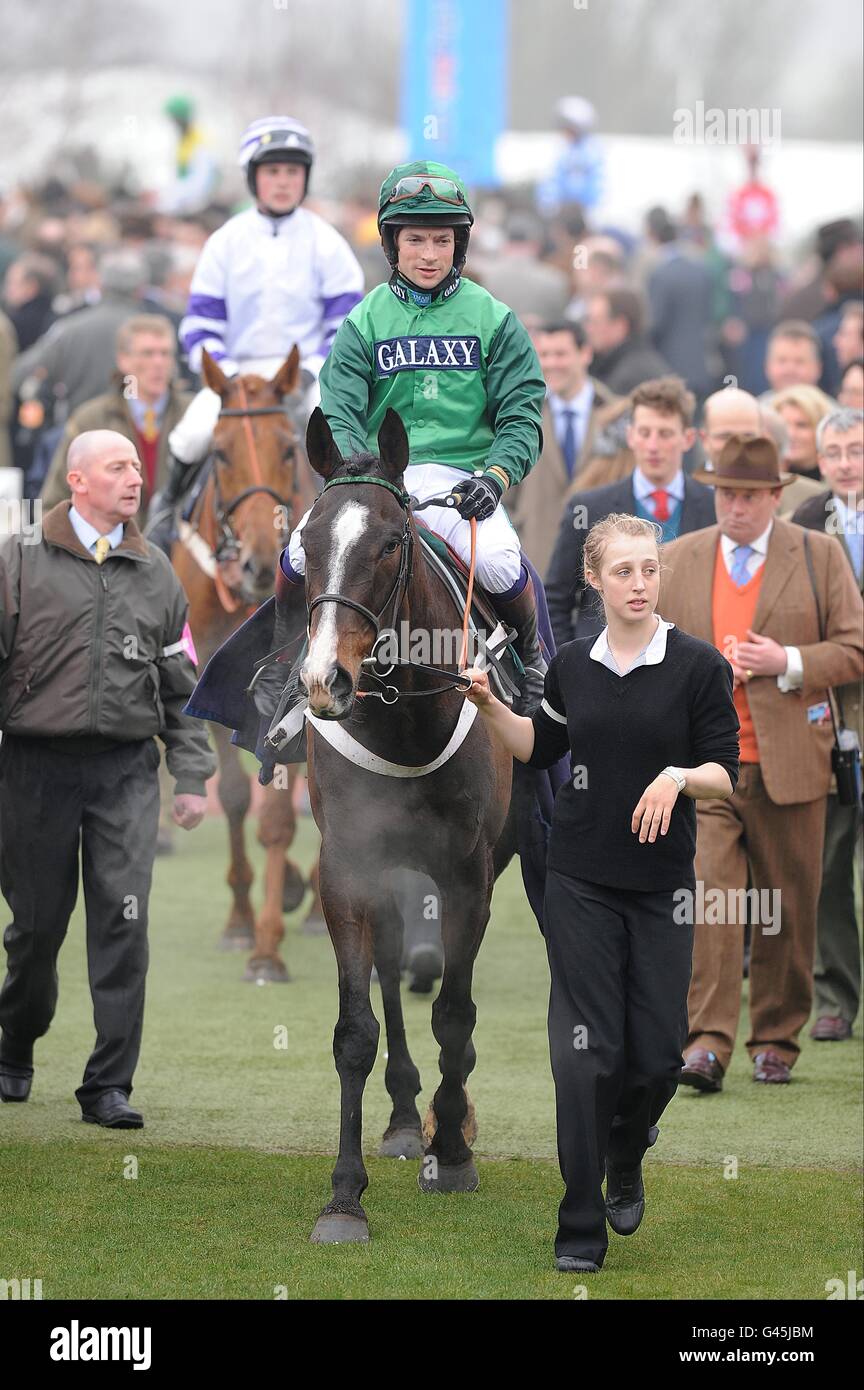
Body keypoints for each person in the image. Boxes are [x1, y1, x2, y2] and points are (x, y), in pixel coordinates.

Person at [462, 512, 739, 1273]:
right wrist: (490, 705)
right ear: (594, 580)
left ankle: (627, 1146)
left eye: (648, 569)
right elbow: (540, 746)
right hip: (579, 881)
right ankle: (578, 1223)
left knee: (654, 1058)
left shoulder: (698, 666)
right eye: (623, 572)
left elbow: (725, 771)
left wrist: (678, 776)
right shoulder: (573, 665)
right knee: (587, 1055)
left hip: (660, 888)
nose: (639, 584)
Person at [268, 161, 547, 719]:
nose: (428, 254)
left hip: (462, 483)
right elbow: (340, 406)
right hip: (374, 479)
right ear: (392, 243)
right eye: (414, 239)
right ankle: (282, 666)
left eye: (441, 241)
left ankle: (530, 660)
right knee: (299, 555)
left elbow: (523, 412)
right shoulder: (363, 320)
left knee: (495, 562)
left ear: (458, 246)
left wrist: (495, 476)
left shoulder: (496, 320)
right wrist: (356, 471)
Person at [0, 429, 217, 1123]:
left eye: (137, 466)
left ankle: (107, 1085)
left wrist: (190, 774)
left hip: (125, 772)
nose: (134, 478)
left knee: (124, 919)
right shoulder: (18, 559)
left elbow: (182, 685)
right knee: (35, 930)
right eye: (117, 467)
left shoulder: (157, 571)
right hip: (33, 769)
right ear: (78, 481)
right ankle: (16, 1041)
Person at [659, 435, 863, 1091]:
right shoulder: (678, 558)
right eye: (724, 492)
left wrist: (789, 663)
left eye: (747, 495)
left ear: (777, 497)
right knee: (713, 904)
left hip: (794, 763)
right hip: (707, 768)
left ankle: (775, 1040)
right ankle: (708, 1044)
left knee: (787, 905)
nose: (734, 506)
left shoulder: (818, 555)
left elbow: (855, 650)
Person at [151, 115, 365, 544]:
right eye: (272, 172)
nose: (283, 181)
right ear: (254, 178)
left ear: (305, 177)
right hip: (236, 376)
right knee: (190, 437)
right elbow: (199, 327)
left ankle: (352, 534)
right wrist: (229, 380)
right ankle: (162, 525)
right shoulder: (224, 242)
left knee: (346, 442)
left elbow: (347, 328)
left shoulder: (328, 242)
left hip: (307, 375)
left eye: (292, 172)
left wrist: (309, 373)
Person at [545, 376, 715, 648]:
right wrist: (567, 664)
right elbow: (556, 598)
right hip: (602, 665)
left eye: (665, 433)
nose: (653, 445)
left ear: (688, 438)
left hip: (687, 669)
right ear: (630, 435)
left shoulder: (713, 507)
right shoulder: (588, 507)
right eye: (645, 433)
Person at [792, 408, 864, 1042]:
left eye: (857, 449)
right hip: (833, 718)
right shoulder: (805, 522)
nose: (845, 461)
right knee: (830, 862)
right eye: (834, 450)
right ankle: (836, 997)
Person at [41, 315, 192, 525]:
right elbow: (53, 503)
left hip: (176, 551)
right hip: (109, 551)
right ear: (123, 360)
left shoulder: (194, 415)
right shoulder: (91, 420)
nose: (158, 363)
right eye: (147, 353)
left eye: (165, 354)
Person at [504, 320, 616, 575]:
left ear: (585, 354)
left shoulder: (615, 414)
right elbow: (506, 494)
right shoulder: (520, 417)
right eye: (544, 355)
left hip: (604, 565)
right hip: (539, 563)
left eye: (561, 354)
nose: (551, 364)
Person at [583, 288, 670, 397]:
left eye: (595, 322)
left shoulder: (630, 377)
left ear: (620, 326)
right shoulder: (613, 364)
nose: (588, 329)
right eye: (587, 320)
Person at [770, 383, 837, 481]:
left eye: (802, 425)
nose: (791, 434)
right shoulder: (760, 478)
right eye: (783, 425)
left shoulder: (841, 482)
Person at [761, 320, 822, 396]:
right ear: (767, 366)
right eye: (782, 361)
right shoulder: (754, 407)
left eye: (799, 361)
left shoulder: (832, 408)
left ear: (818, 368)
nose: (790, 369)